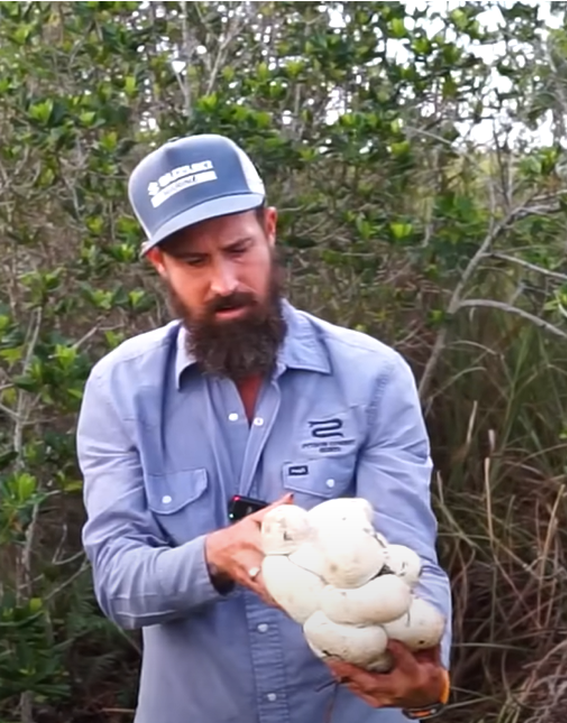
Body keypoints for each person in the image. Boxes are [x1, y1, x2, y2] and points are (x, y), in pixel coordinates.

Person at [76, 133, 453, 723]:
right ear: (160, 265)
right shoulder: (120, 389)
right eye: (194, 262)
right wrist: (216, 557)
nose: (224, 281)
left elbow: (412, 558)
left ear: (270, 229)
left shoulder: (372, 377)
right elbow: (120, 585)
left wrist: (427, 679)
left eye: (238, 248)